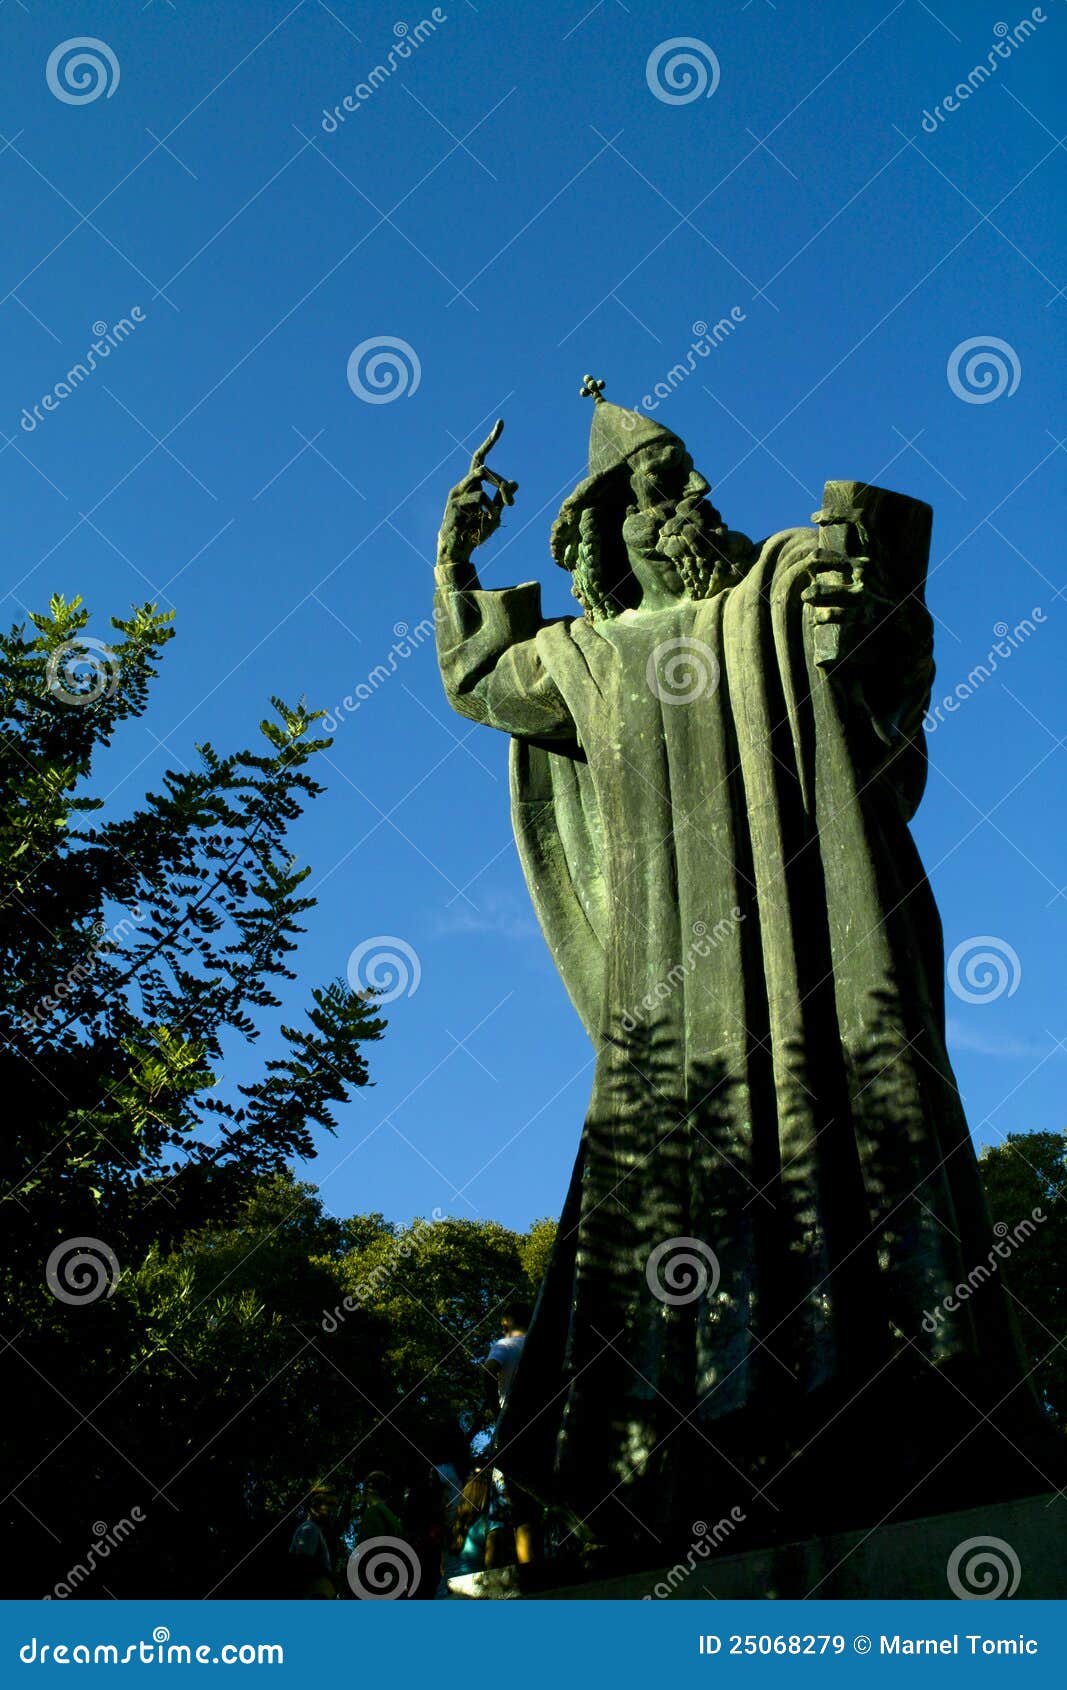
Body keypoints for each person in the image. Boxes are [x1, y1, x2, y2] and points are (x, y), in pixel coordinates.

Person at [288, 1484, 338, 1597]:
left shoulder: (315, 1531)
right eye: (330, 1504)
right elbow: (301, 1569)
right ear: (314, 1505)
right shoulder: (309, 1529)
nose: (334, 1510)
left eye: (336, 1506)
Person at [482, 1300, 530, 1414]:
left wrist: (496, 1411)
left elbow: (488, 1371)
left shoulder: (504, 1344)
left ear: (506, 1322)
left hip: (512, 1418)